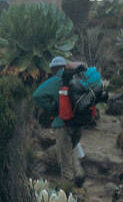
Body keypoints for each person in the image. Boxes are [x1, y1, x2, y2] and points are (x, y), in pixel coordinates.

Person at [32, 57, 105, 187]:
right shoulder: (79, 79)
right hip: (78, 124)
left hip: (62, 125)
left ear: (54, 69)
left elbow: (37, 95)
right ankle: (79, 173)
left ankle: (69, 189)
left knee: (64, 160)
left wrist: (52, 108)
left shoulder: (55, 81)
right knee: (69, 151)